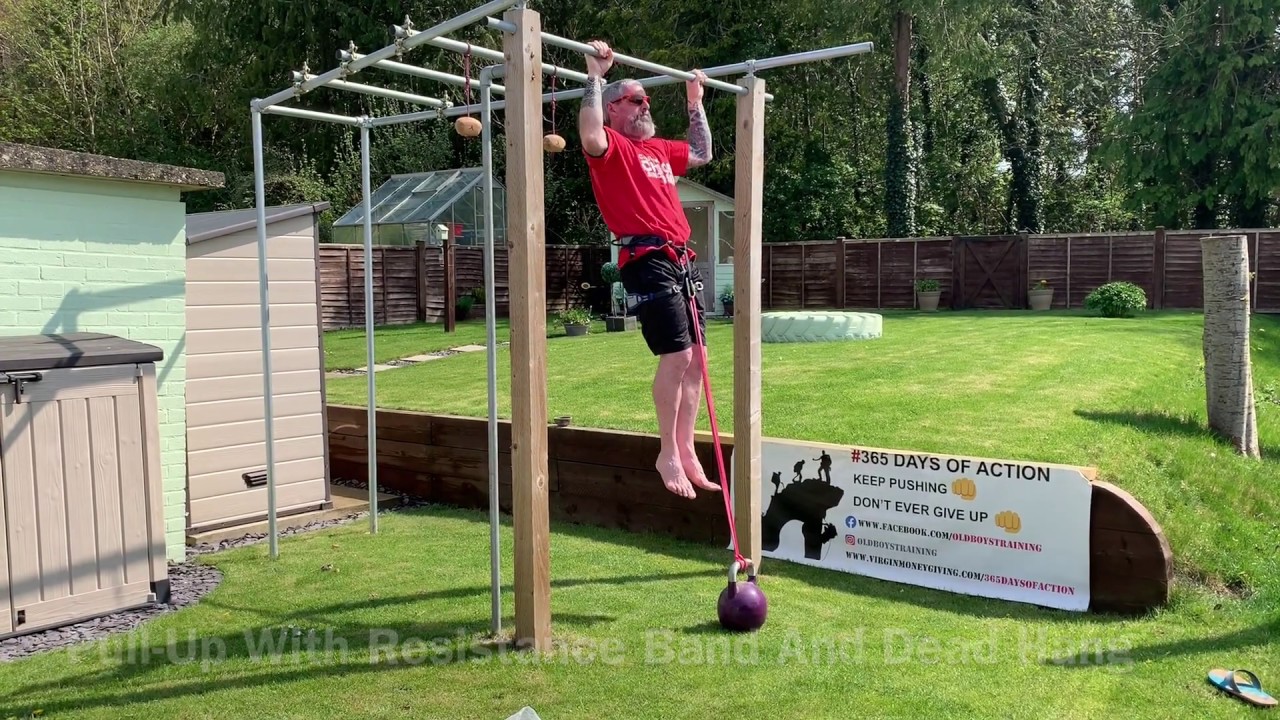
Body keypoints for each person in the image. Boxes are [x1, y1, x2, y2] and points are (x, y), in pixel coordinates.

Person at [577, 39, 717, 500]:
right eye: (636, 100)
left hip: (679, 258)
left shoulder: (659, 150)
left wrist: (695, 104)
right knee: (676, 357)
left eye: (647, 100)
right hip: (645, 260)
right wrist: (595, 76)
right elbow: (590, 134)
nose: (644, 107)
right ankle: (667, 452)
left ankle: (686, 446)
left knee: (697, 360)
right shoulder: (611, 146)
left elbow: (702, 153)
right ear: (615, 108)